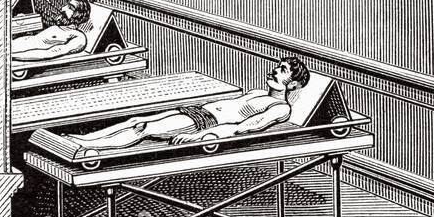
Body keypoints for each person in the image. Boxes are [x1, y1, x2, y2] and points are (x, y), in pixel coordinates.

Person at [73, 57, 311, 152]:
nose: (274, 71)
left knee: (144, 128)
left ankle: (91, 150)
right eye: (277, 66)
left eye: (282, 71)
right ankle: (85, 140)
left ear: (294, 85)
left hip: (204, 123)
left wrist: (200, 137)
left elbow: (243, 128)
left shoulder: (281, 108)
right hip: (198, 112)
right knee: (135, 120)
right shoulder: (257, 91)